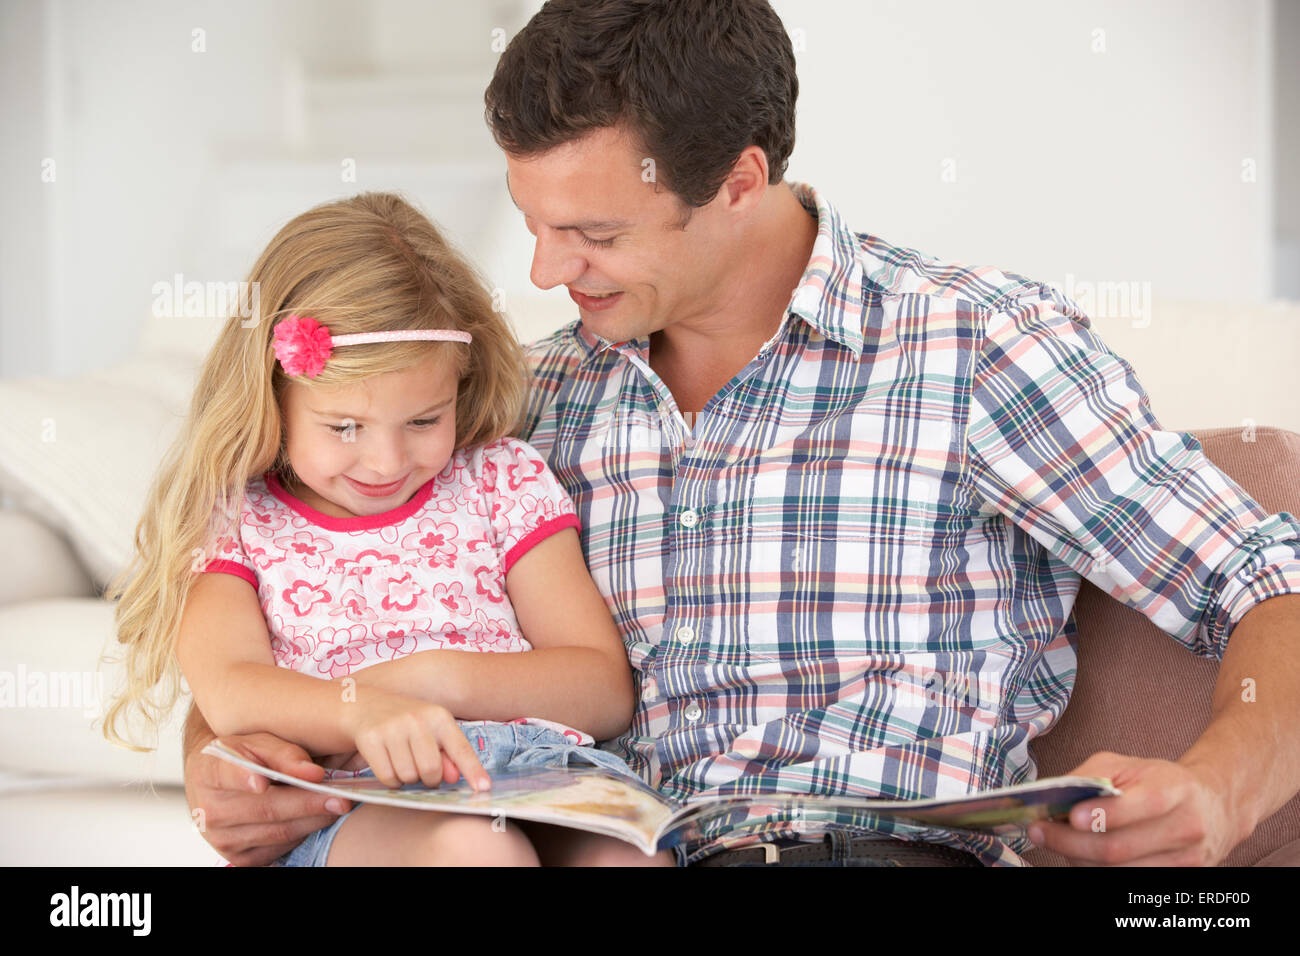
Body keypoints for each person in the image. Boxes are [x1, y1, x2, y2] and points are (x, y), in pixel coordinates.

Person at [180, 0, 1300, 867]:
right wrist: (220, 761)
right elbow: (309, 599)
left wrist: (1221, 787)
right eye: (531, 222)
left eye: (593, 231)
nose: (541, 270)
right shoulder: (536, 396)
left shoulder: (972, 348)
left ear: (737, 182)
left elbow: (1264, 582)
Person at [103, 191, 675, 866]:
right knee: (475, 853)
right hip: (364, 799)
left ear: (458, 387)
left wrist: (432, 679)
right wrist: (357, 713)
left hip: (538, 774)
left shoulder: (500, 481)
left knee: (630, 859)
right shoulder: (236, 519)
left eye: (423, 421)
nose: (386, 461)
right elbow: (230, 687)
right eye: (344, 427)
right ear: (272, 398)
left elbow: (603, 690)